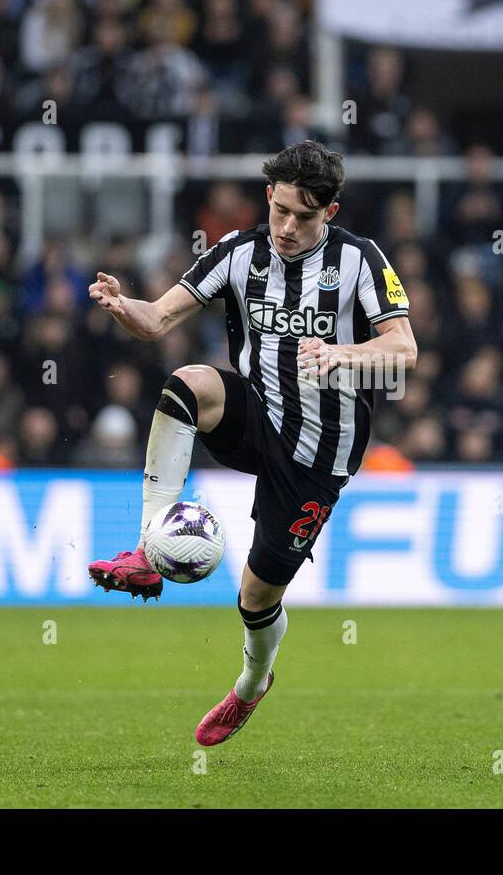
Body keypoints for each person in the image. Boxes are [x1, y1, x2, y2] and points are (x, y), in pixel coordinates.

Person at [86, 140, 416, 745]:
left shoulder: (361, 261)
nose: (288, 228)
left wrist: (345, 353)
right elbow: (158, 319)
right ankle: (147, 549)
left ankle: (251, 682)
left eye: (305, 217)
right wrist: (119, 305)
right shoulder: (239, 253)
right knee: (187, 385)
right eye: (281, 210)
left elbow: (403, 349)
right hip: (260, 416)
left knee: (257, 594)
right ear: (268, 196)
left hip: (320, 453)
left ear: (331, 213)